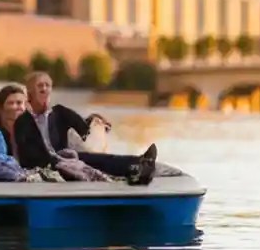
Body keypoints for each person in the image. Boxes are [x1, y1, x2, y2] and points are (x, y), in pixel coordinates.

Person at [14, 71, 157, 185]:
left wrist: (95, 120)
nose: (44, 89)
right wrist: (56, 160)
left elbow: (83, 127)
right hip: (48, 165)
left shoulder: (59, 112)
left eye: (47, 85)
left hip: (67, 157)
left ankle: (140, 163)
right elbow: (27, 155)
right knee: (81, 162)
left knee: (97, 159)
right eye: (40, 86)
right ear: (30, 92)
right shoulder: (23, 121)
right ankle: (136, 167)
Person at [0, 84, 47, 182]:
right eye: (11, 103)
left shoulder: (32, 133)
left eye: (20, 103)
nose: (16, 107)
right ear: (0, 107)